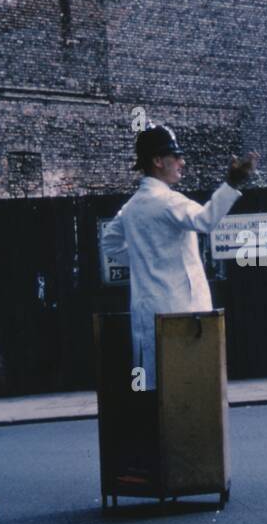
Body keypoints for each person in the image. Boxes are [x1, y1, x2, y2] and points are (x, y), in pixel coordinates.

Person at [100, 125, 258, 389]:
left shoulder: (131, 208)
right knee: (189, 393)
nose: (182, 162)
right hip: (183, 315)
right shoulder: (169, 202)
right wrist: (232, 184)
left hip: (147, 314)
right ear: (158, 161)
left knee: (155, 390)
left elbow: (110, 244)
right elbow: (207, 221)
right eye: (176, 156)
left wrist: (144, 261)